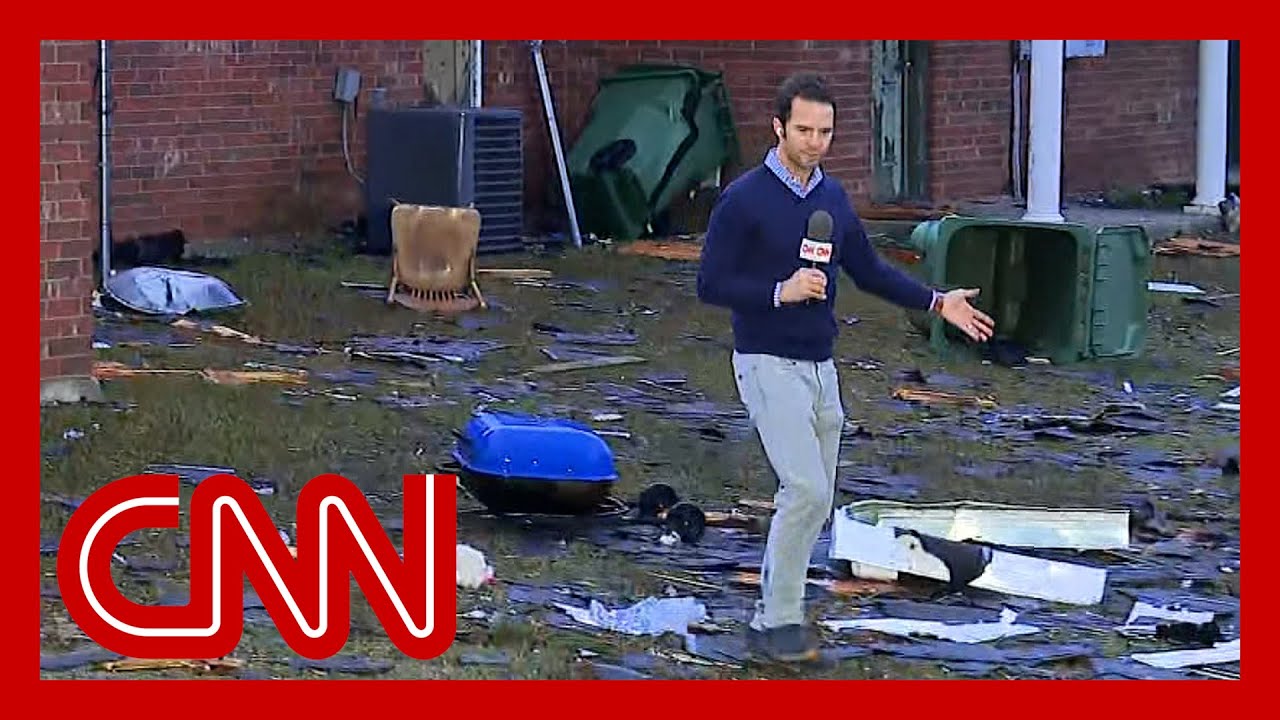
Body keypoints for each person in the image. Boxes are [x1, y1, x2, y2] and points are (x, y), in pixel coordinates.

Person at [695, 72, 995, 663]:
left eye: (825, 132)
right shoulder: (744, 198)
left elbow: (869, 269)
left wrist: (937, 302)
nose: (814, 142)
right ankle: (774, 624)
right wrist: (780, 290)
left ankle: (780, 614)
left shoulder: (831, 200)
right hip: (764, 359)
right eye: (803, 129)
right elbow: (710, 283)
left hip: (819, 366)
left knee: (817, 496)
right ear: (778, 126)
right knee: (804, 489)